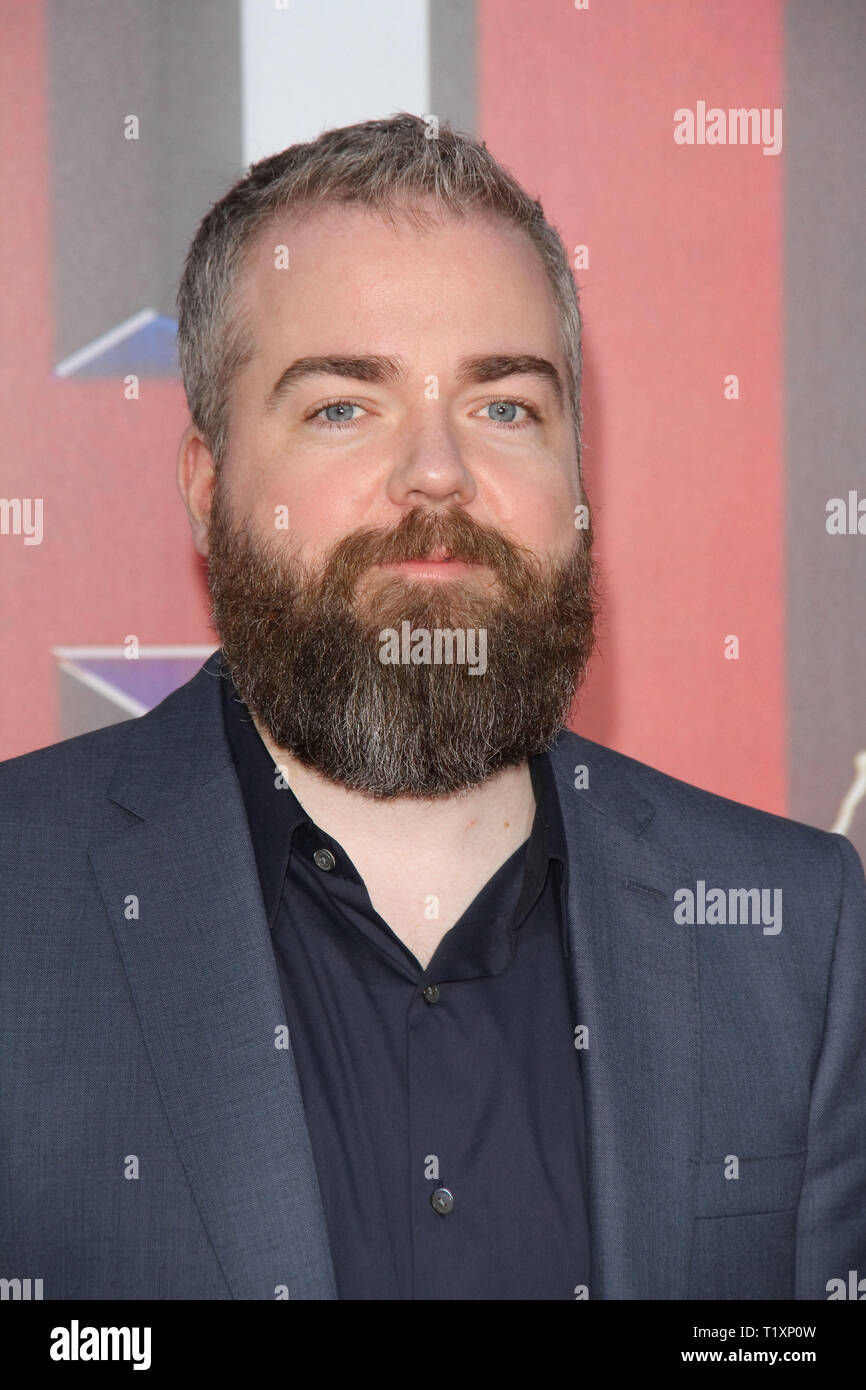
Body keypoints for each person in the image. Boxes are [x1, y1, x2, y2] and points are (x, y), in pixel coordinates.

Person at [2, 114, 864, 1301]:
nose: (438, 473)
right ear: (206, 487)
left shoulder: (793, 937)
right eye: (342, 407)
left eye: (504, 405)